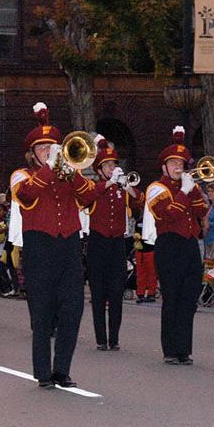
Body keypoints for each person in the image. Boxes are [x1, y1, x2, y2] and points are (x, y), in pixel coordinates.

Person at [13, 102, 98, 388]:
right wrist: (50, 169)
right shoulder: (23, 175)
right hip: (39, 247)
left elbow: (88, 197)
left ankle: (62, 369)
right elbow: (26, 195)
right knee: (42, 311)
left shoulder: (70, 174)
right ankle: (43, 373)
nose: (48, 151)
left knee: (73, 309)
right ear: (32, 153)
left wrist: (71, 168)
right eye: (42, 147)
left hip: (69, 246)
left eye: (52, 146)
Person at [143, 126, 208, 366]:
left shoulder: (189, 187)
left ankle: (185, 350)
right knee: (172, 297)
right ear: (164, 167)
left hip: (190, 244)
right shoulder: (156, 188)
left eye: (181, 163)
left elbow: (202, 211)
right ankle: (170, 349)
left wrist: (192, 191)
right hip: (169, 245)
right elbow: (167, 215)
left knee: (189, 299)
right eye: (173, 163)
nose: (178, 167)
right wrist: (183, 191)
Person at [84, 134, 143, 351]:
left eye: (114, 165)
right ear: (99, 170)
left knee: (116, 293)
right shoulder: (95, 186)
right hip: (98, 244)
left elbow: (140, 201)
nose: (111, 168)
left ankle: (114, 338)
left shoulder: (122, 189)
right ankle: (101, 338)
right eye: (107, 165)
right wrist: (109, 182)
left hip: (117, 244)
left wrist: (125, 186)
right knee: (98, 293)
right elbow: (87, 198)